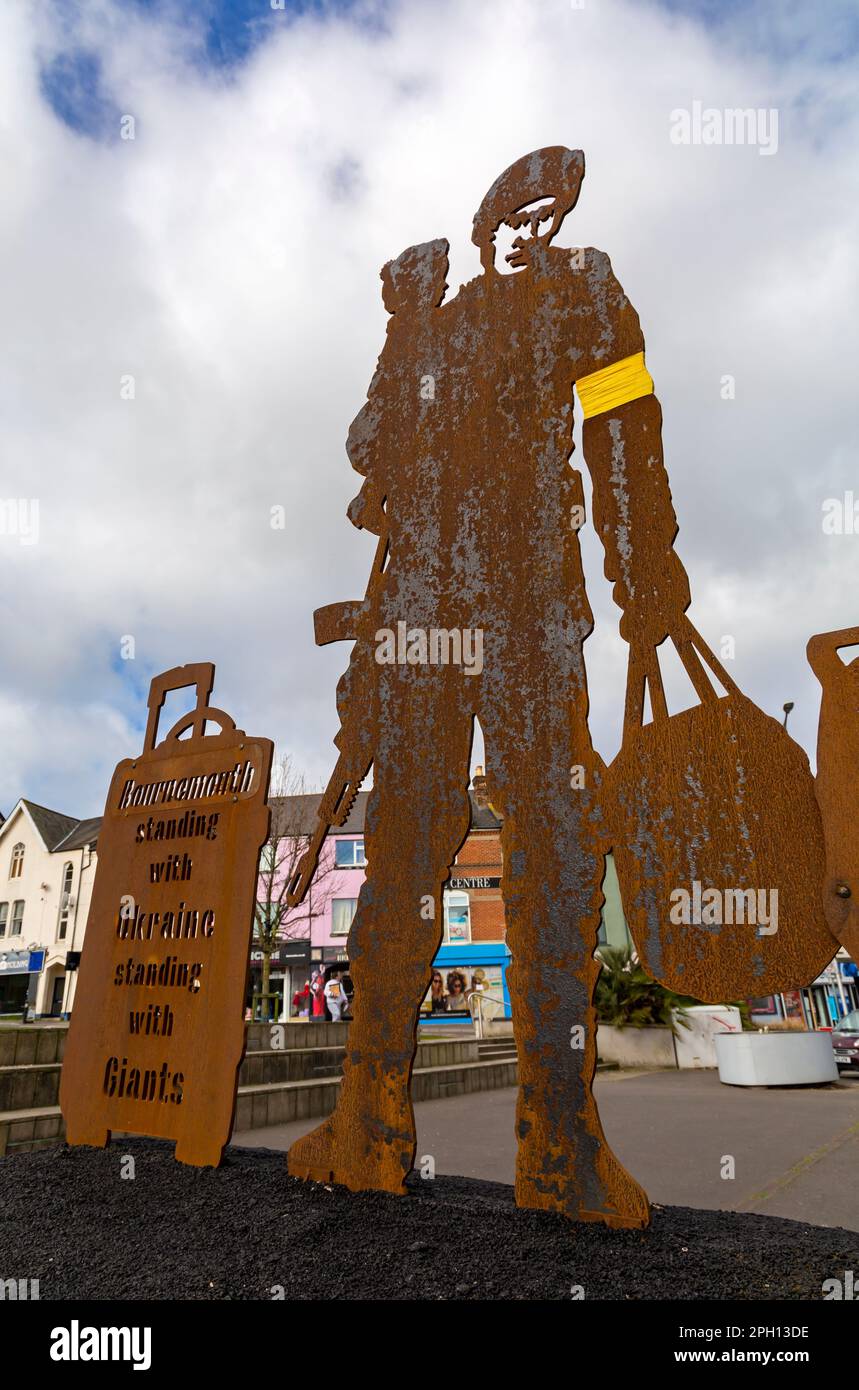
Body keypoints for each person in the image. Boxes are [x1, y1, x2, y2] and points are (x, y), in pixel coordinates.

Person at [288, 148, 689, 1228]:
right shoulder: (443, 320)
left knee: (556, 836)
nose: (534, 229)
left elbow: (620, 429)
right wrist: (402, 323)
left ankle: (559, 1140)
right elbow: (372, 445)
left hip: (525, 593)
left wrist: (642, 562)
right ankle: (366, 1118)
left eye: (551, 214)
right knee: (409, 836)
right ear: (483, 220)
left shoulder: (582, 292)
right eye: (518, 211)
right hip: (419, 604)